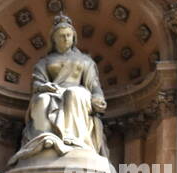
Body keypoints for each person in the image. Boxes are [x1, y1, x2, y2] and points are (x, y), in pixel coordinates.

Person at [12, 13, 109, 164]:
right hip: (52, 92)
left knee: (73, 93)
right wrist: (44, 87)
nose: (65, 38)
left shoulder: (85, 61)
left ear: (73, 38)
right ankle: (43, 142)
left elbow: (94, 85)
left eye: (68, 35)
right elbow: (37, 83)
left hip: (77, 92)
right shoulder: (44, 62)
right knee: (42, 100)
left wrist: (98, 97)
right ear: (54, 39)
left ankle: (75, 140)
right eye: (61, 35)